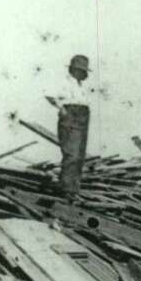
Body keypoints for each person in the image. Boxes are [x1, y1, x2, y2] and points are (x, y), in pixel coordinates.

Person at [45, 54, 94, 199]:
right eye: (79, 69)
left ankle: (74, 189)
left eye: (84, 70)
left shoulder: (81, 85)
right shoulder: (63, 82)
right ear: (73, 69)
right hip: (71, 116)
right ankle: (66, 189)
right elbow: (49, 95)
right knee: (71, 154)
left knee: (79, 154)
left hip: (83, 115)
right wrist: (62, 109)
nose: (83, 73)